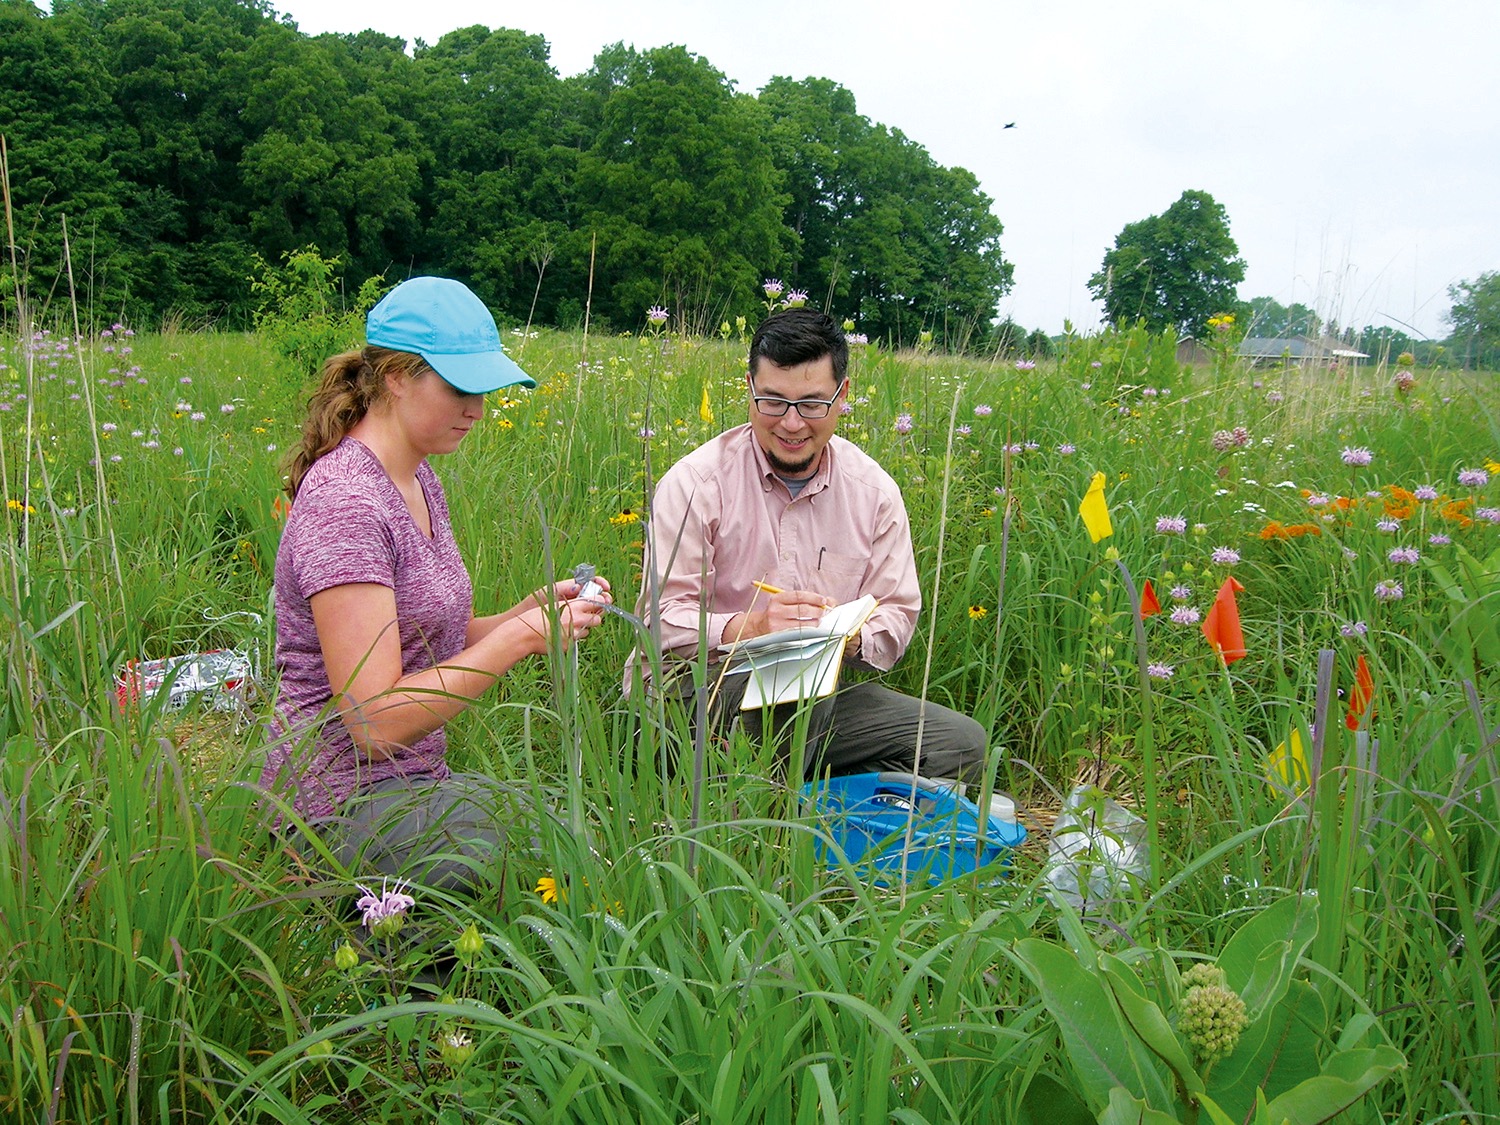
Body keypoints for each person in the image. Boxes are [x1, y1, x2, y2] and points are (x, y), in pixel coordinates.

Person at [261, 276, 611, 891]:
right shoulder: (346, 501)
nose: (478, 409)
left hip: (414, 782)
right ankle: (388, 973)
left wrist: (526, 616)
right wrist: (515, 644)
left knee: (575, 831)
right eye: (461, 388)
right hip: (330, 803)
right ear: (397, 376)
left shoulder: (419, 479)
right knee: (518, 863)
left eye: (486, 390)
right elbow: (375, 725)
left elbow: (430, 644)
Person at [628, 307, 986, 783]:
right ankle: (762, 812)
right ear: (750, 392)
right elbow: (658, 620)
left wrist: (848, 635)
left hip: (815, 697)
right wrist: (750, 626)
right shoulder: (696, 483)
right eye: (773, 402)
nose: (792, 425)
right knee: (787, 708)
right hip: (690, 696)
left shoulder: (874, 493)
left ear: (842, 398)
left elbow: (897, 615)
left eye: (812, 404)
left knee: (957, 743)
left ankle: (813, 809)